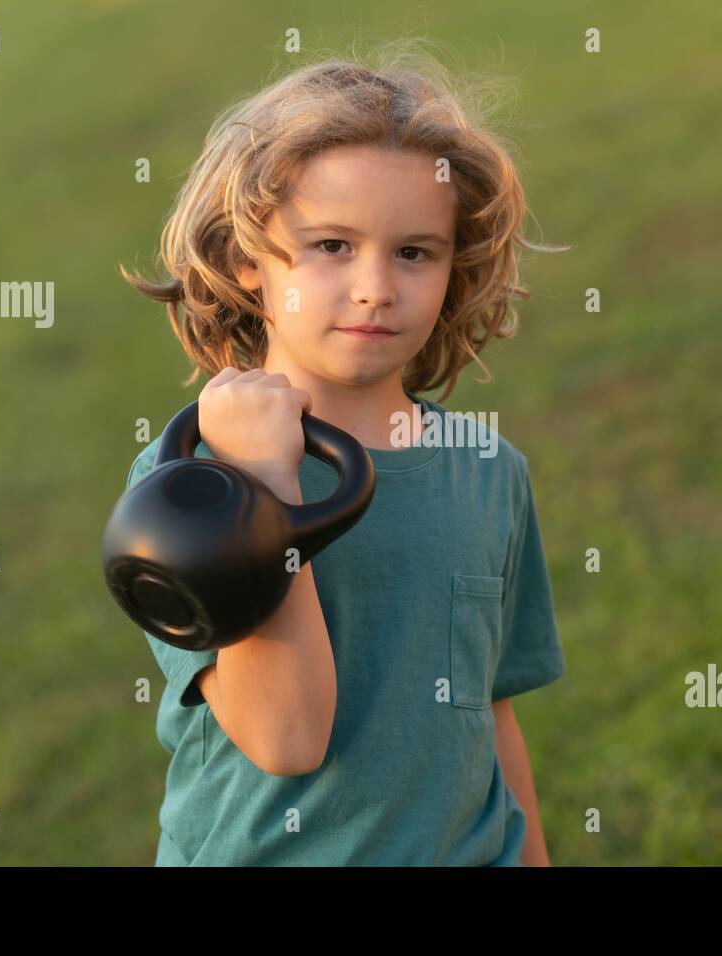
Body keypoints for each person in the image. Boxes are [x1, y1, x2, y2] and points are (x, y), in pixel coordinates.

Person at [119, 45, 570, 866]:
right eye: (331, 245)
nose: (375, 288)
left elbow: (493, 715)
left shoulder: (488, 470)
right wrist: (262, 480)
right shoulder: (187, 482)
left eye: (413, 252)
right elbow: (286, 738)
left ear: (452, 270)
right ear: (247, 262)